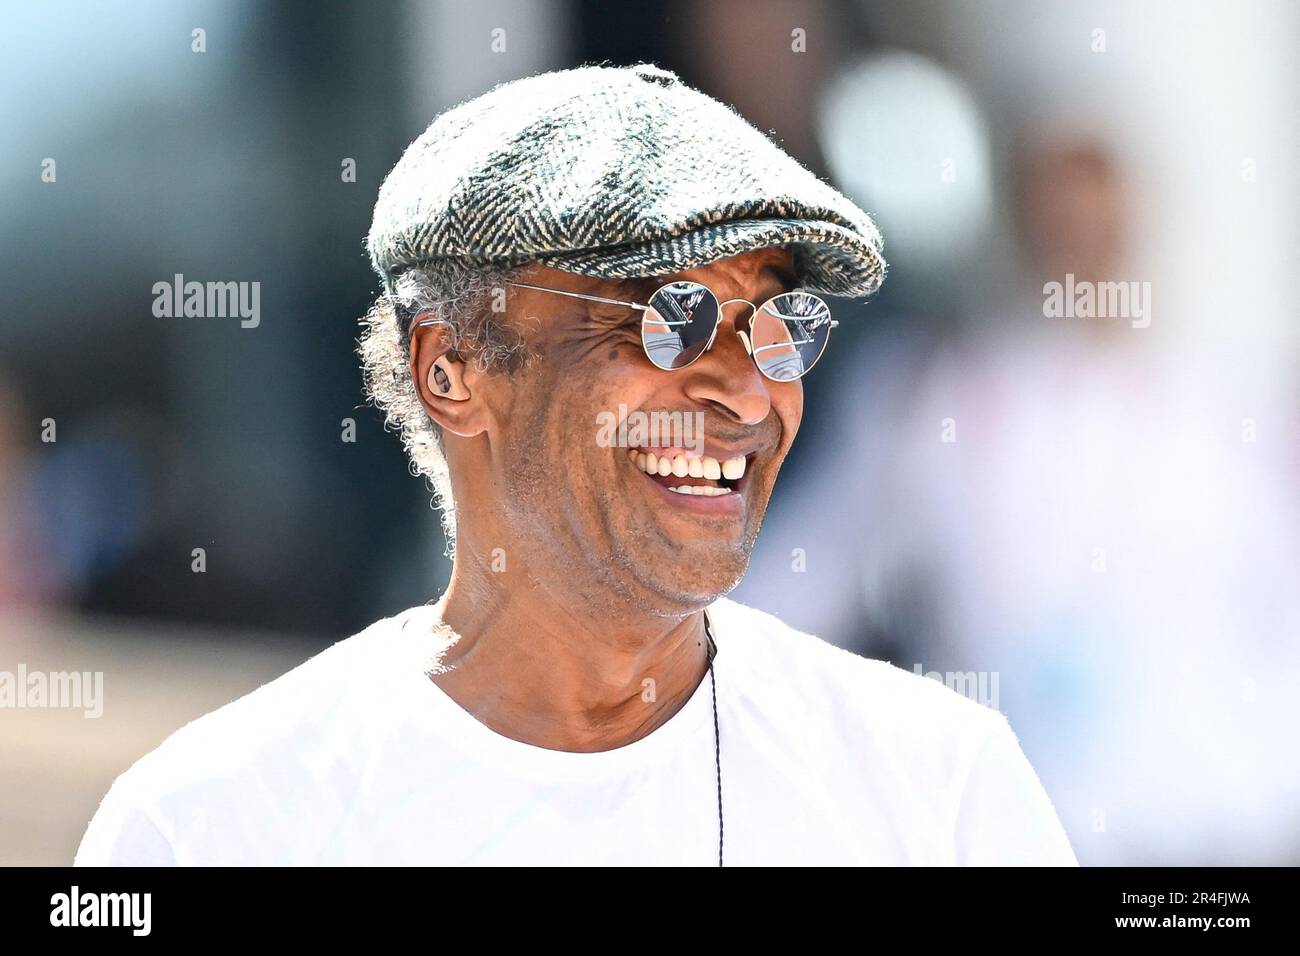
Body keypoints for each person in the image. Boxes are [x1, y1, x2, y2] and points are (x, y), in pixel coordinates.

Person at [74, 63, 1076, 866]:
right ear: (452, 368)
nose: (744, 389)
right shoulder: (214, 826)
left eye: (777, 325)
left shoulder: (936, 790)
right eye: (667, 318)